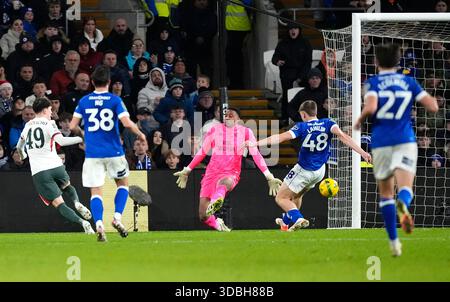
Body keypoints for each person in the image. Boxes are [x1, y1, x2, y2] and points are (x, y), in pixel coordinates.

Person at [354, 43, 438, 257]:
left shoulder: (372, 82)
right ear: (398, 61)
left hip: (381, 142)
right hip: (406, 140)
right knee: (406, 187)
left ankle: (394, 243)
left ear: (376, 62)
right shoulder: (408, 81)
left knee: (385, 193)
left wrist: (359, 120)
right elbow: (433, 107)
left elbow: (371, 108)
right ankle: (404, 204)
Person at [246, 100, 370, 232]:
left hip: (304, 169)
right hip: (320, 171)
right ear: (315, 112)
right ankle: (286, 222)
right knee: (297, 196)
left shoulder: (301, 127)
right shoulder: (328, 123)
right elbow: (343, 136)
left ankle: (298, 218)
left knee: (281, 198)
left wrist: (256, 143)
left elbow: (280, 137)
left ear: (304, 114)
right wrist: (362, 152)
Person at [69, 65, 147, 242]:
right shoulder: (115, 100)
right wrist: (140, 134)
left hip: (93, 154)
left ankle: (98, 224)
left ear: (92, 82)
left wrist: (83, 136)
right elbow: (126, 123)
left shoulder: (84, 101)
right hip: (114, 151)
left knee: (96, 192)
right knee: (123, 184)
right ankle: (117, 218)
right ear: (109, 82)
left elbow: (73, 126)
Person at [173, 108, 283, 232]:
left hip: (231, 172)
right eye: (226, 114)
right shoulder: (215, 130)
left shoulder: (246, 132)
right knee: (203, 216)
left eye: (232, 114)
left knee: (225, 183)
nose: (228, 116)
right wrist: (187, 169)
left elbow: (256, 154)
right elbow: (202, 151)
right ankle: (217, 223)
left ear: (239, 120)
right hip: (211, 173)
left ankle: (216, 201)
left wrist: (269, 176)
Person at [15, 97, 94, 234]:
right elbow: (61, 141)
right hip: (55, 165)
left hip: (40, 171)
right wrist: (81, 138)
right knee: (68, 187)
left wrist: (23, 156)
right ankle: (76, 202)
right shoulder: (49, 124)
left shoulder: (27, 125)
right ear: (45, 109)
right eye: (51, 109)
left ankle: (83, 223)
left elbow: (19, 146)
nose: (52, 112)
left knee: (59, 204)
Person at [272, 22, 312, 125]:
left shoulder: (305, 42)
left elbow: (308, 62)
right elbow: (274, 57)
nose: (293, 31)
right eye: (290, 29)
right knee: (286, 96)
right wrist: (277, 62)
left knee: (304, 96)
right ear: (288, 31)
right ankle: (285, 117)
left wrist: (300, 78)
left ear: (299, 30)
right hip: (287, 74)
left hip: (302, 74)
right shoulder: (283, 43)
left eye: (295, 29)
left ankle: (306, 116)